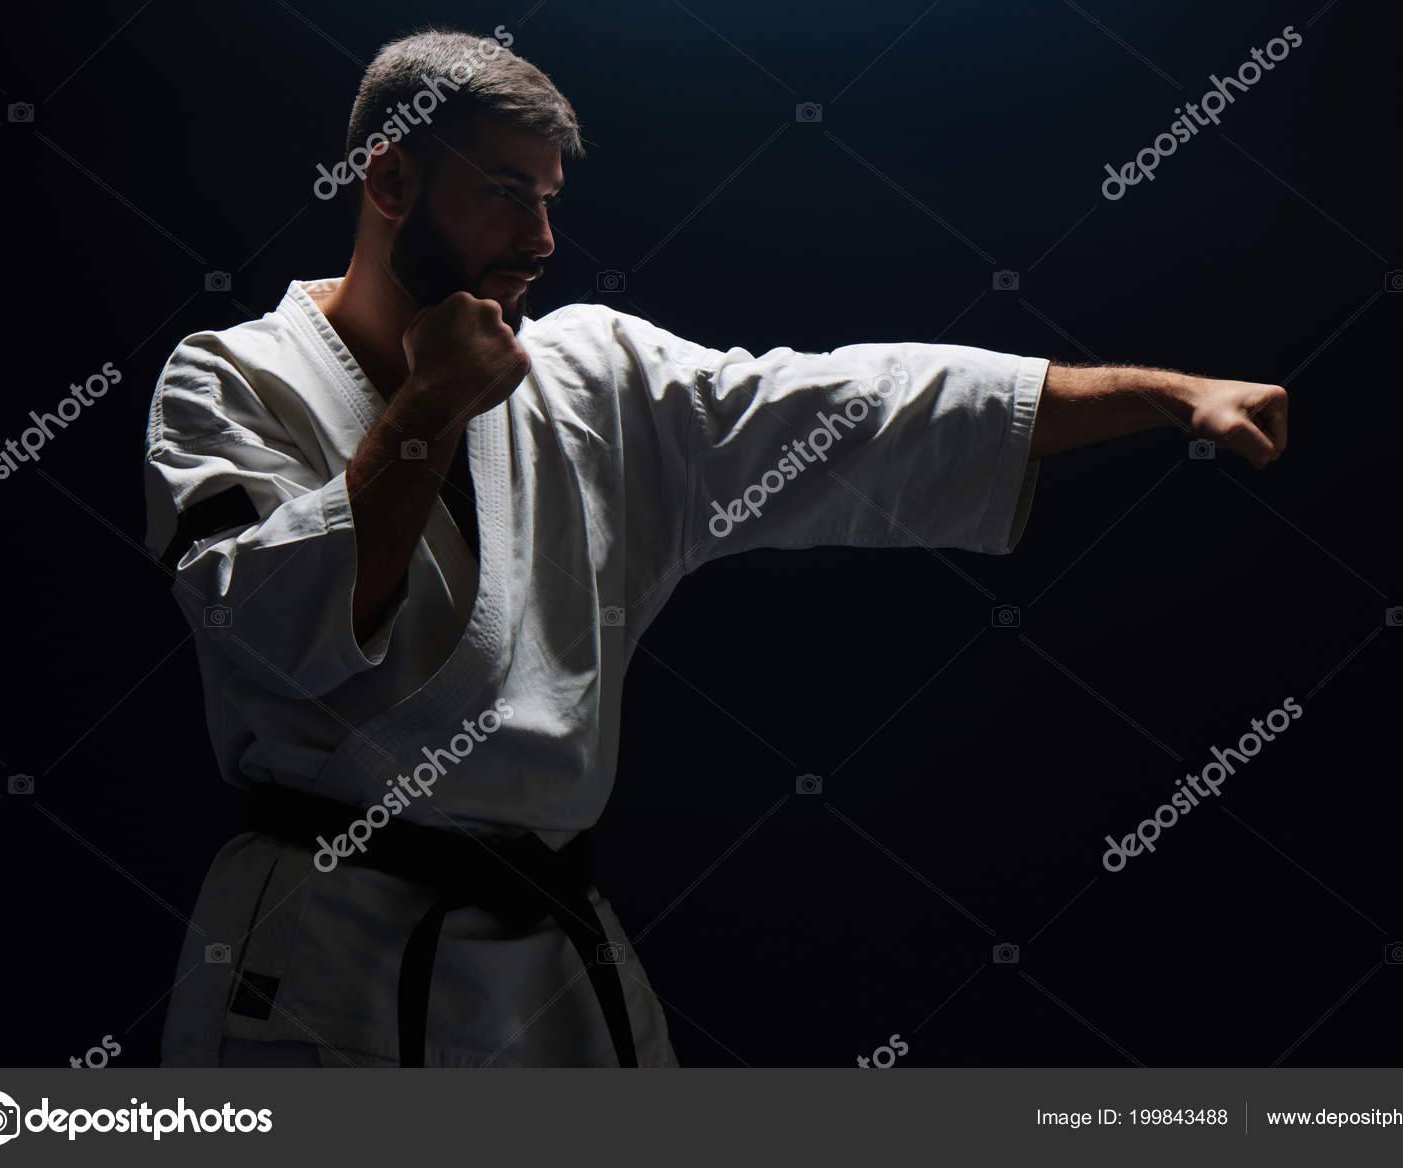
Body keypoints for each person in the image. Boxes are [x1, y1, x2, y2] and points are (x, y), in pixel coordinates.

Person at [143, 28, 1287, 1069]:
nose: (541, 240)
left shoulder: (592, 374)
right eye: (504, 194)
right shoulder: (231, 380)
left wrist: (1155, 392)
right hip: (318, 949)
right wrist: (430, 409)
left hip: (550, 955)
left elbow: (846, 405)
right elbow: (276, 630)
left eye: (548, 199)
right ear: (389, 178)